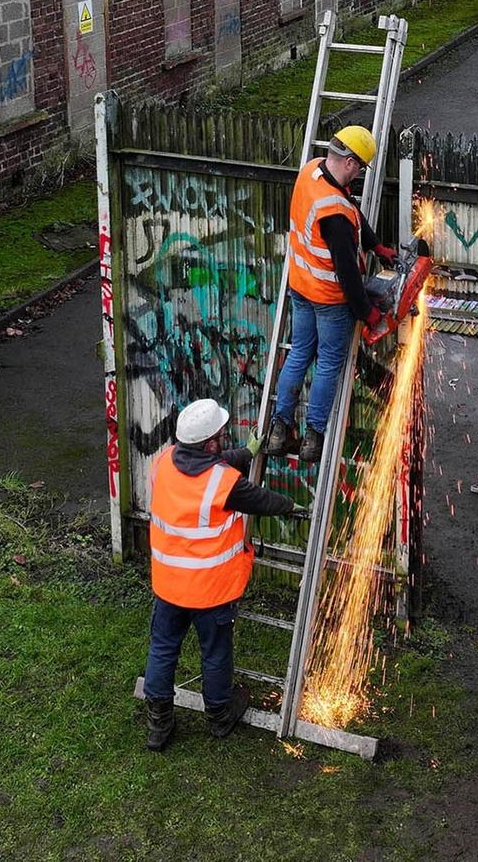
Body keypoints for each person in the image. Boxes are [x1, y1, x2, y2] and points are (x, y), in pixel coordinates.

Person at [143, 398, 305, 750]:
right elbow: (260, 499)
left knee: (163, 647)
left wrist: (246, 453)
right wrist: (291, 506)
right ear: (211, 443)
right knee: (215, 652)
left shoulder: (163, 464)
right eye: (220, 435)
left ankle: (159, 722)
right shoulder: (225, 485)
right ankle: (219, 716)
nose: (222, 438)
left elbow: (208, 467)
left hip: (168, 586)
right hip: (209, 592)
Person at [264, 126, 390, 466]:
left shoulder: (313, 170)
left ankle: (279, 428)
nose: (360, 173)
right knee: (329, 363)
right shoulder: (334, 216)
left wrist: (374, 242)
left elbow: (349, 206)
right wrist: (369, 315)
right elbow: (350, 278)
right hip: (330, 298)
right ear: (349, 162)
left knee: (299, 353)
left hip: (300, 286)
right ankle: (313, 437)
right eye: (360, 167)